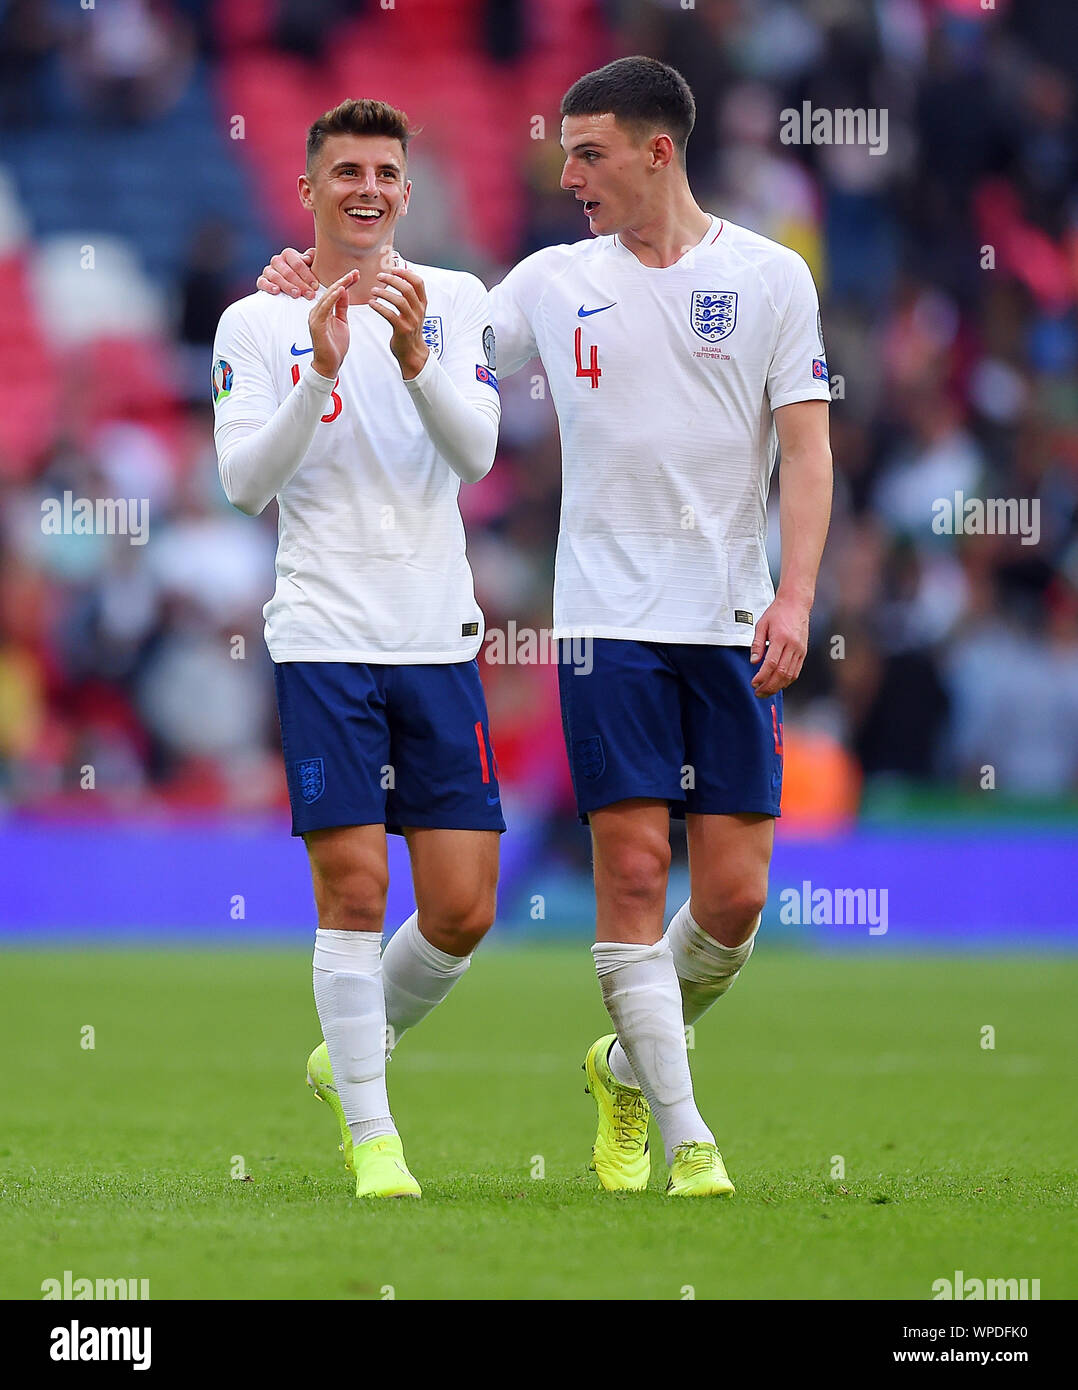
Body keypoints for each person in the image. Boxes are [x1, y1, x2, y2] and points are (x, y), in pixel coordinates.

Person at [258, 57, 833, 1198]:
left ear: (656, 152)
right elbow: (418, 334)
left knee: (731, 899)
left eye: (586, 152)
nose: (563, 171)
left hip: (730, 619)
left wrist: (797, 595)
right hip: (605, 626)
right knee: (627, 869)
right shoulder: (550, 280)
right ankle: (686, 1136)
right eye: (563, 150)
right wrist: (309, 283)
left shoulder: (769, 278)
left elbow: (807, 449)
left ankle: (624, 1061)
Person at [215, 98, 504, 1200]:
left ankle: (349, 1056)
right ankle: (376, 1139)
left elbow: (476, 454)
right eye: (345, 171)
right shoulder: (257, 322)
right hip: (324, 635)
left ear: (407, 189)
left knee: (465, 906)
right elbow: (245, 485)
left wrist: (416, 350)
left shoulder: (459, 299)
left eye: (385, 169)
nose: (367, 187)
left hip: (436, 633)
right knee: (350, 884)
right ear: (309, 189)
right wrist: (321, 368)